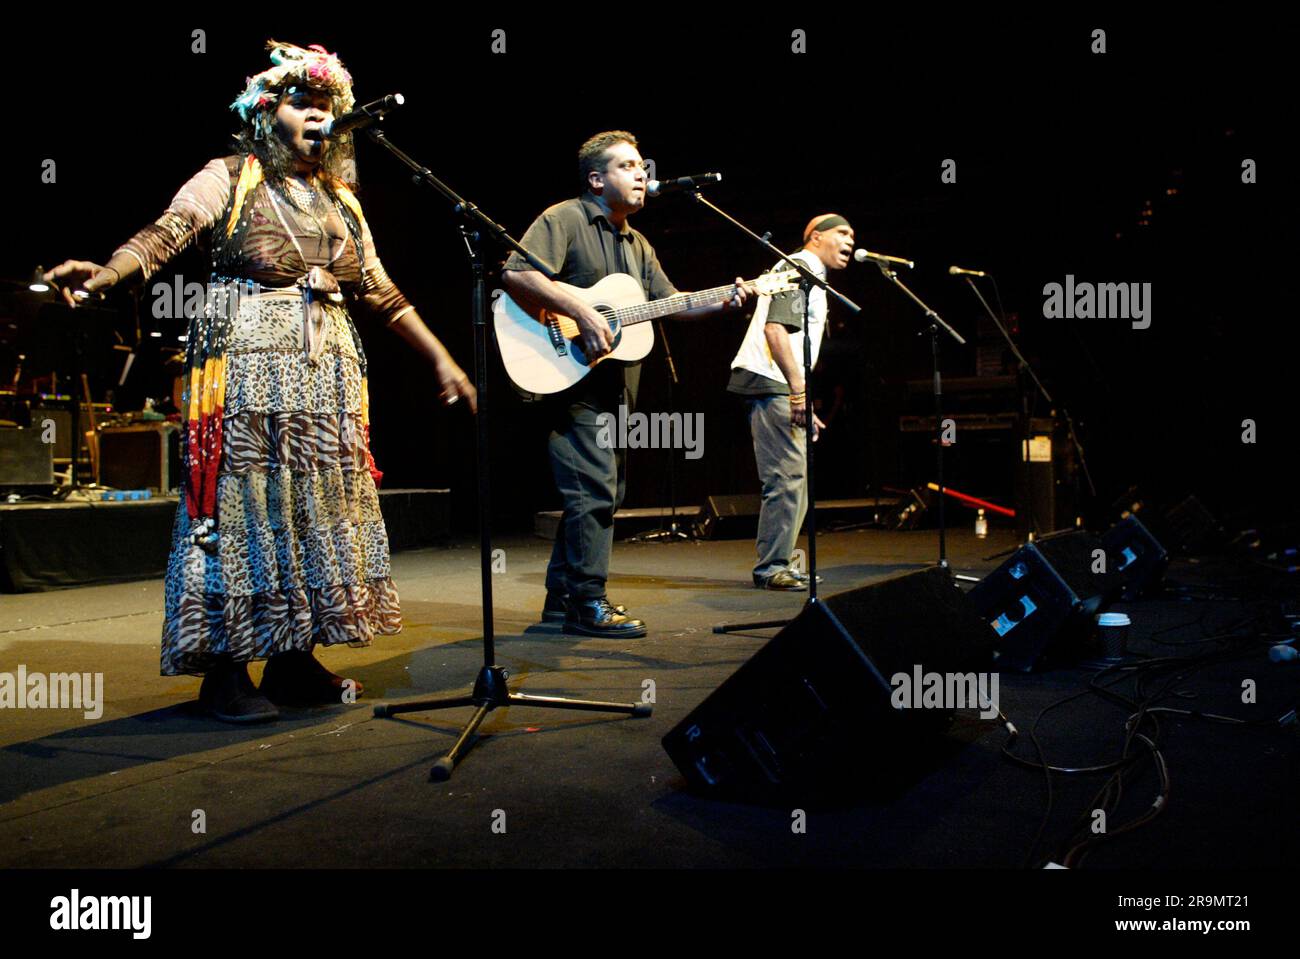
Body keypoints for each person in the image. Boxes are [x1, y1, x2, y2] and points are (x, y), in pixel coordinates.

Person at [44, 41, 476, 723]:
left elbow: (380, 289)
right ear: (266, 111)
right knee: (242, 510)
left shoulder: (341, 200)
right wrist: (107, 273)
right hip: (248, 370)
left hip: (325, 379)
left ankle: (293, 658)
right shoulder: (230, 176)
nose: (319, 114)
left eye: (327, 104)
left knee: (310, 511)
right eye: (303, 102)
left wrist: (441, 358)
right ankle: (225, 670)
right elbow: (168, 232)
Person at [501, 131, 752, 637]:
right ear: (597, 179)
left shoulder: (638, 244)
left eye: (643, 167)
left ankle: (561, 602)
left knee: (603, 493)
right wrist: (581, 312)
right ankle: (588, 602)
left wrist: (724, 300)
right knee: (594, 491)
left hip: (615, 389)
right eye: (629, 166)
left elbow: (672, 303)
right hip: (568, 381)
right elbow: (517, 274)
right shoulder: (564, 218)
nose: (643, 175)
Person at [726, 214, 854, 589]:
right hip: (772, 380)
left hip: (780, 381)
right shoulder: (800, 266)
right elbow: (775, 329)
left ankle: (780, 562)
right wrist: (798, 391)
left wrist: (803, 395)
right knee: (785, 475)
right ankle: (771, 568)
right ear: (815, 237)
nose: (850, 241)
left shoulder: (811, 274)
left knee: (795, 475)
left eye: (852, 235)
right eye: (842, 233)